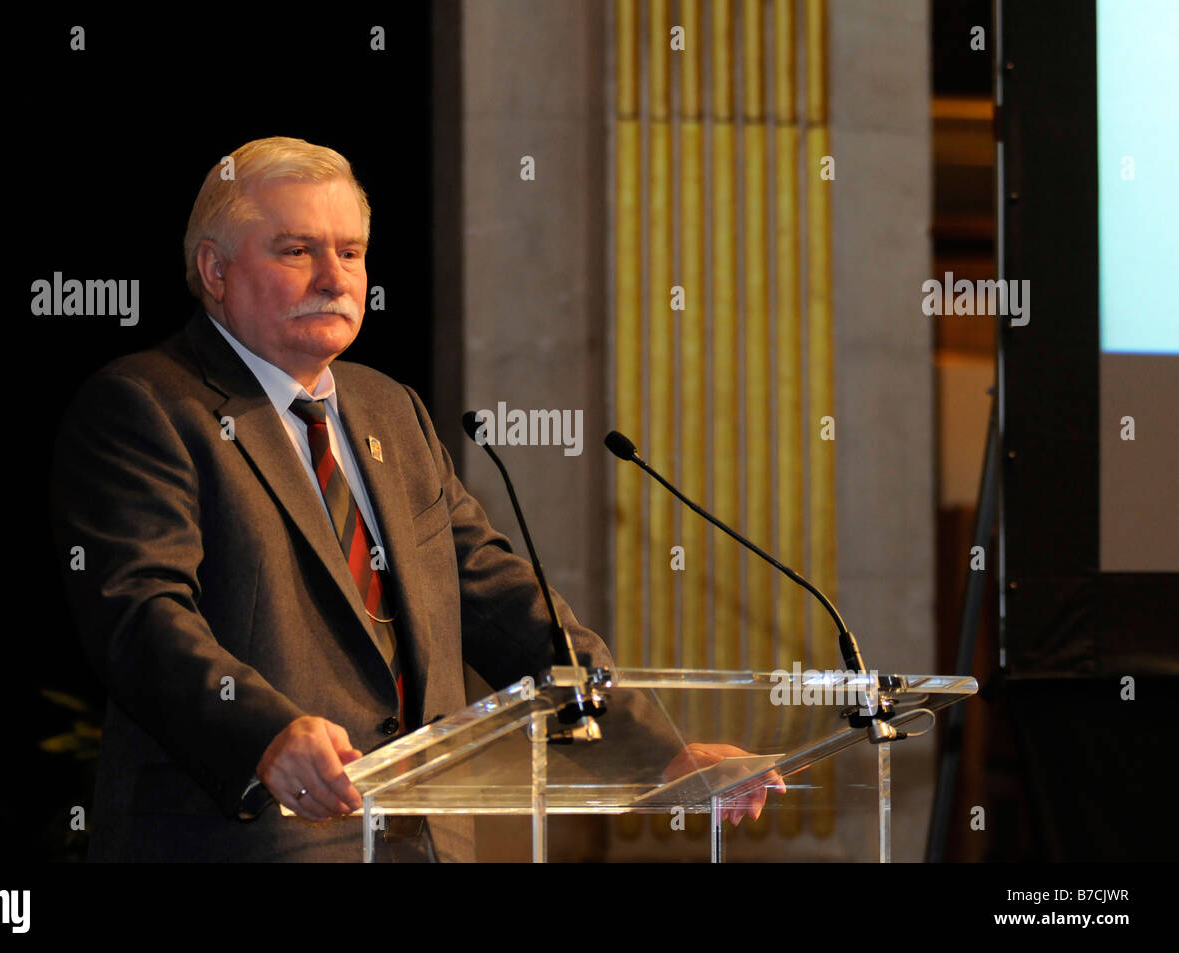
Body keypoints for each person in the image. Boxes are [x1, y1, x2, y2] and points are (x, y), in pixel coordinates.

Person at [50, 136, 779, 862]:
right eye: (296, 251)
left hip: (423, 844)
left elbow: (505, 604)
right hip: (250, 842)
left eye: (351, 251)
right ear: (215, 269)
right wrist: (264, 733)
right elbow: (140, 618)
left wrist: (660, 751)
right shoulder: (146, 405)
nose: (334, 278)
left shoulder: (389, 412)